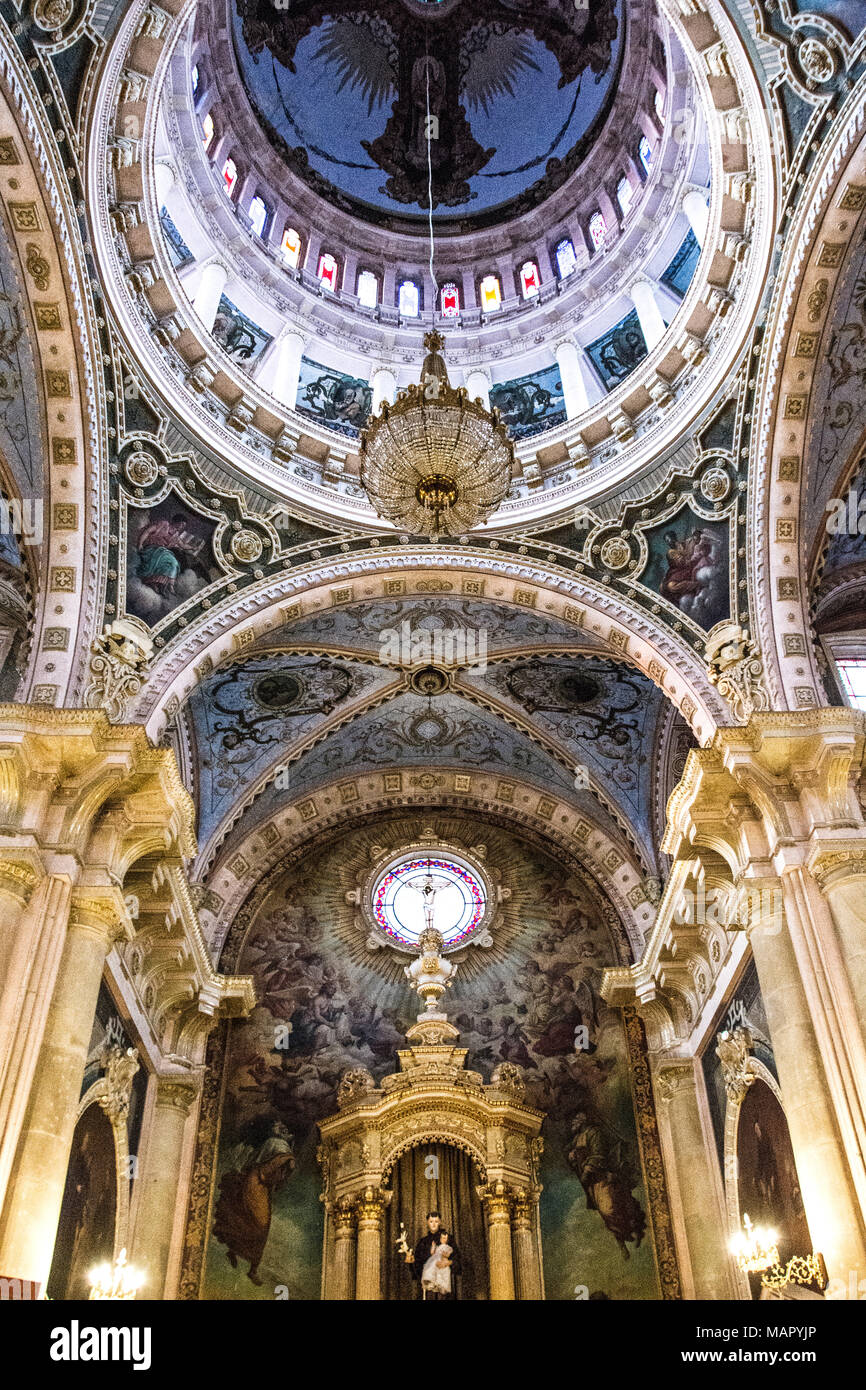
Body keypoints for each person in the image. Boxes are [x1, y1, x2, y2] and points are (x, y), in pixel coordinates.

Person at [406, 1211, 462, 1301]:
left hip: (444, 1280)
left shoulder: (448, 1239)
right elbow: (418, 1264)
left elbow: (457, 1258)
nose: (434, 1224)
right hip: (429, 1283)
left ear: (440, 1222)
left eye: (436, 1221)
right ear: (427, 1222)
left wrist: (449, 1262)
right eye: (431, 1221)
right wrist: (411, 1262)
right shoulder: (423, 1242)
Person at [421, 1232, 454, 1298]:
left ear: (447, 1239)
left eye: (444, 1238)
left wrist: (443, 1254)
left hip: (441, 1262)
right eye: (441, 1238)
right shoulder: (438, 1247)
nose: (443, 1239)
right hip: (434, 1261)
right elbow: (432, 1253)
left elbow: (447, 1255)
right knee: (430, 1268)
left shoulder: (447, 1247)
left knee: (441, 1285)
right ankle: (429, 1278)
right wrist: (433, 1246)